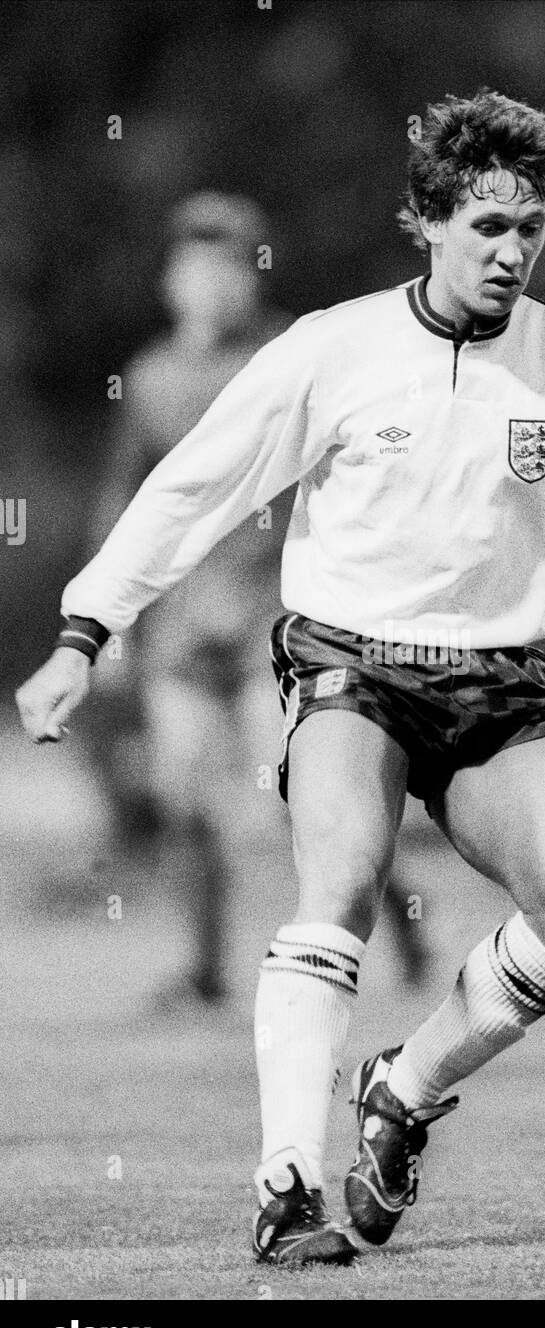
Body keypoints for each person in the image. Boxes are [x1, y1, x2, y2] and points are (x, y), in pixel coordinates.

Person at [16, 89, 545, 1267]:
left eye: (529, 227)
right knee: (337, 882)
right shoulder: (329, 350)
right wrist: (85, 630)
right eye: (487, 226)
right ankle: (288, 1187)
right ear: (430, 223)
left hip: (500, 681)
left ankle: (405, 1085)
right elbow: (193, 489)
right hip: (350, 663)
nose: (511, 251)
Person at [82, 191, 295, 1004]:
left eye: (227, 264)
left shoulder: (288, 356)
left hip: (277, 614)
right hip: (182, 620)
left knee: (296, 791)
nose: (208, 281)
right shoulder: (148, 378)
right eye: (193, 264)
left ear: (252, 274)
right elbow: (123, 504)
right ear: (171, 277)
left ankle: (403, 935)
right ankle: (206, 973)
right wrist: (105, 622)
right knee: (183, 793)